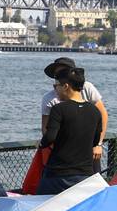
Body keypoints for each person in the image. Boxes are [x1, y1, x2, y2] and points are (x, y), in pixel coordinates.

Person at [37, 66, 103, 195]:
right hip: (85, 173)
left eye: (57, 86)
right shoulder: (94, 111)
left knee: (42, 207)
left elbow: (50, 137)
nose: (55, 90)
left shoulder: (59, 109)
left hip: (58, 174)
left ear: (66, 86)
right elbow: (95, 140)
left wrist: (41, 143)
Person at [40, 57, 107, 167]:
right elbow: (45, 128)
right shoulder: (48, 98)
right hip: (62, 153)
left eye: (64, 71)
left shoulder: (87, 88)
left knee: (93, 180)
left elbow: (102, 115)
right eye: (57, 74)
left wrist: (98, 144)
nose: (61, 75)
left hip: (88, 149)